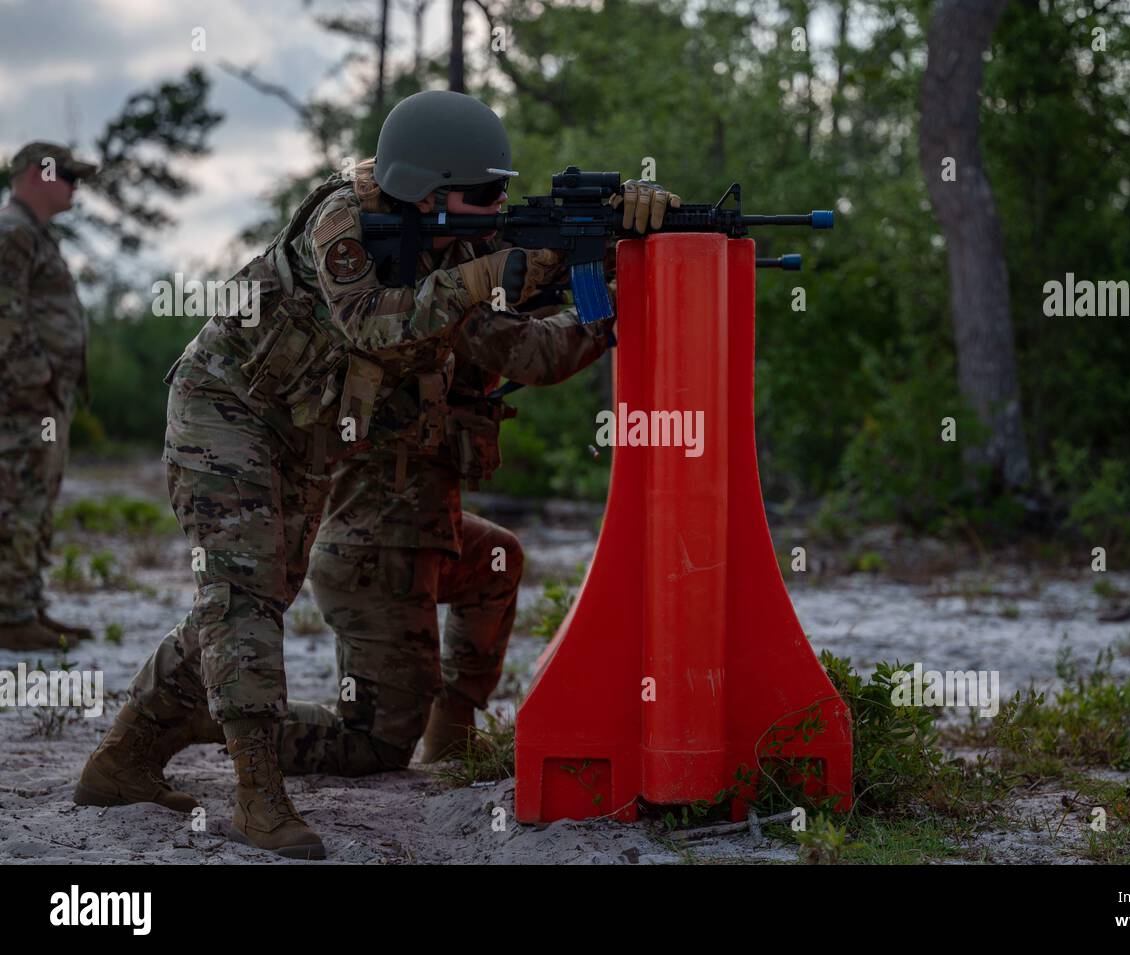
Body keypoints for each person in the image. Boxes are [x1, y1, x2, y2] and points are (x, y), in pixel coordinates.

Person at [74, 88, 678, 859]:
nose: (498, 206)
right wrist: (497, 270)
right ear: (426, 190)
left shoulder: (460, 251)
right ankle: (260, 796)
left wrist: (614, 300)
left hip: (305, 435)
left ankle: (124, 760)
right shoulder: (343, 219)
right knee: (245, 590)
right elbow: (377, 322)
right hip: (226, 405)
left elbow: (524, 354)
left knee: (246, 597)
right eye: (484, 192)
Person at [0, 141, 99, 651]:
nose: (75, 187)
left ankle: (26, 605)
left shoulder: (31, 235)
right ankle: (11, 616)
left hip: (40, 400)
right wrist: (34, 380)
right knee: (16, 500)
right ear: (36, 175)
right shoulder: (12, 233)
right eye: (67, 176)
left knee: (35, 500)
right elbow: (5, 315)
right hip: (22, 402)